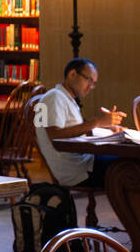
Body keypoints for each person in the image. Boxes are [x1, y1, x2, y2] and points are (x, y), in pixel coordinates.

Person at [35, 58, 125, 188]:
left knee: (128, 161)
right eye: (89, 80)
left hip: (84, 161)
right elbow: (55, 135)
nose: (90, 87)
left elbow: (80, 129)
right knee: (129, 167)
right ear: (72, 74)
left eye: (94, 83)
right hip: (76, 170)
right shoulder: (54, 97)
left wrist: (109, 127)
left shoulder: (67, 99)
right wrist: (97, 122)